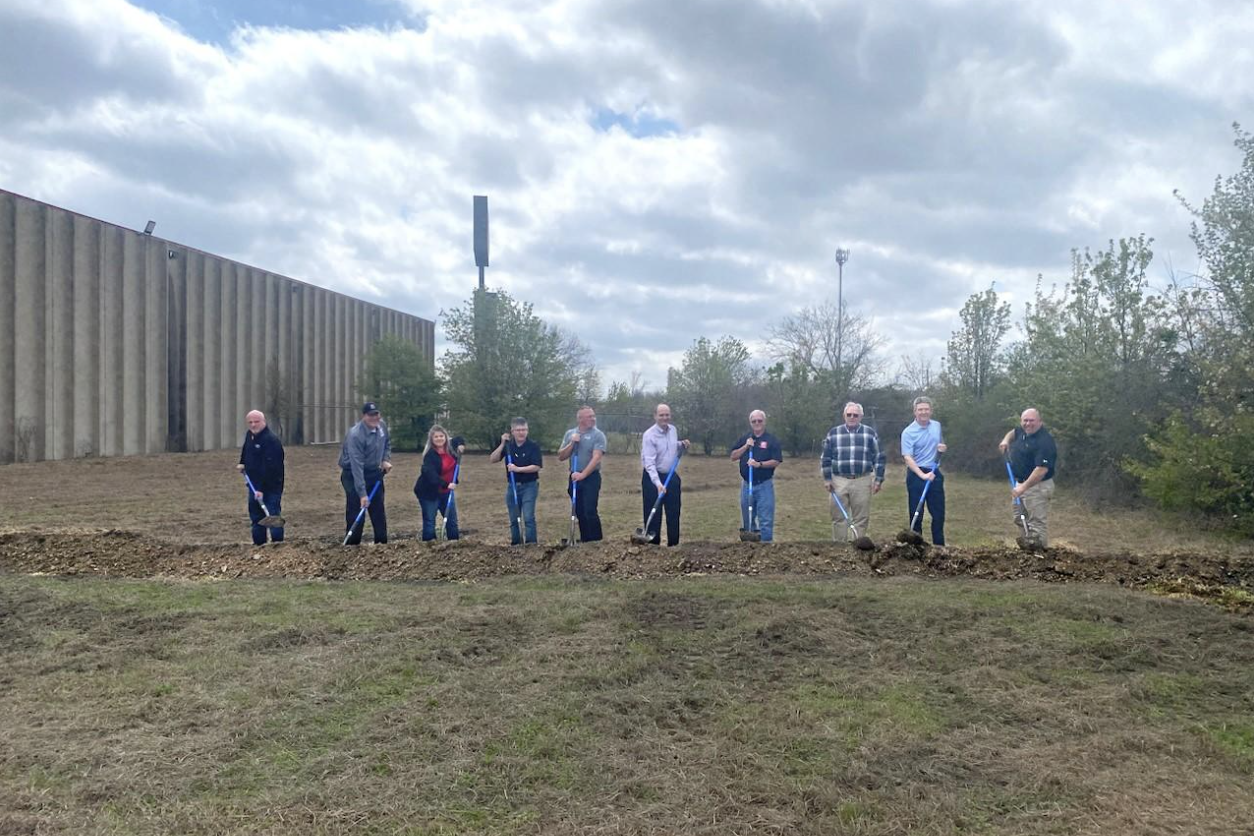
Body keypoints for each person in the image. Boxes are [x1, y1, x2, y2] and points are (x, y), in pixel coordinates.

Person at [820, 401, 885, 543]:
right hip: (839, 480)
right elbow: (826, 458)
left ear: (861, 416)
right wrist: (827, 479)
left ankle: (858, 547)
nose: (852, 417)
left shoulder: (870, 433)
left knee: (861, 518)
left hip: (862, 480)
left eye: (855, 415)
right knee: (838, 517)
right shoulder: (834, 433)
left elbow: (879, 457)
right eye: (849, 414)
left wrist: (878, 479)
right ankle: (840, 548)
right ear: (844, 416)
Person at [998, 408, 1058, 547]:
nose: (1028, 423)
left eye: (1032, 420)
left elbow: (1041, 470)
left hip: (1037, 487)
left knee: (1036, 524)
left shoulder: (1045, 441)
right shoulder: (1022, 431)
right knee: (1020, 519)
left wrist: (1023, 488)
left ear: (1040, 422)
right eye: (1025, 420)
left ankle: (1039, 555)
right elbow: (1012, 433)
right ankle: (1028, 550)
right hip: (1019, 484)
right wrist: (1006, 440)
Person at [338, 401, 393, 545]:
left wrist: (385, 459)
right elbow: (357, 466)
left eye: (376, 414)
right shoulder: (355, 435)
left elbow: (387, 443)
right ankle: (352, 546)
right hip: (352, 474)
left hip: (374, 472)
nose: (374, 418)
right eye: (370, 415)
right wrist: (362, 494)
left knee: (378, 511)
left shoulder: (382, 426)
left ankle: (382, 546)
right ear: (364, 416)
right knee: (356, 511)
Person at [640, 404, 691, 546]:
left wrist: (681, 444)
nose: (664, 418)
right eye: (661, 415)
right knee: (653, 513)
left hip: (671, 476)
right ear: (655, 416)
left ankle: (673, 546)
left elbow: (671, 446)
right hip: (652, 478)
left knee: (674, 513)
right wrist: (657, 483)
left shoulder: (672, 430)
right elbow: (649, 463)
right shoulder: (649, 435)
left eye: (667, 415)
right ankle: (653, 546)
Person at [729, 410, 783, 542]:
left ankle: (766, 548)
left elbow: (776, 461)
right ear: (750, 423)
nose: (757, 423)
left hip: (764, 485)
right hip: (747, 485)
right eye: (754, 421)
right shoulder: (745, 438)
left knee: (765, 520)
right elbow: (733, 456)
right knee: (747, 519)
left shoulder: (772, 440)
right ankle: (750, 548)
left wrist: (759, 464)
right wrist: (746, 446)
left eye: (760, 421)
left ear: (764, 422)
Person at [901, 396, 947, 547]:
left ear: (931, 411)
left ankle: (939, 547)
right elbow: (908, 458)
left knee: (938, 514)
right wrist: (922, 475)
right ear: (915, 412)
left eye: (926, 409)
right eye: (920, 409)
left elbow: (940, 445)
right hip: (916, 474)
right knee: (917, 514)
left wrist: (942, 448)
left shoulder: (937, 426)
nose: (923, 412)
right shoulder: (908, 432)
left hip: (934, 472)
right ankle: (916, 547)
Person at [558, 406, 608, 542]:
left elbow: (596, 457)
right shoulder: (570, 434)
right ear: (580, 419)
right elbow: (561, 456)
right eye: (589, 416)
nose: (593, 418)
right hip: (574, 476)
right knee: (579, 511)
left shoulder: (598, 435)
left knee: (590, 510)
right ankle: (585, 541)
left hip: (591, 477)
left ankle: (596, 541)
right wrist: (572, 443)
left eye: (593, 416)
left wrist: (583, 475)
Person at [489, 417, 542, 545]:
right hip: (512, 486)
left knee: (528, 517)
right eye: (518, 430)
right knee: (514, 519)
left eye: (524, 429)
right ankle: (516, 544)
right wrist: (502, 444)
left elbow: (536, 466)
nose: (521, 432)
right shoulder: (508, 446)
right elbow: (493, 459)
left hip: (529, 485)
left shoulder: (533, 446)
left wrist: (518, 469)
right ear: (512, 431)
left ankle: (531, 544)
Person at [236, 409, 285, 545]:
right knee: (256, 517)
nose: (253, 425)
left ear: (263, 422)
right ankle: (259, 545)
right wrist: (242, 462)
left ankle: (278, 545)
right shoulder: (250, 436)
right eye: (250, 422)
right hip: (253, 484)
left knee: (272, 515)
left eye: (256, 422)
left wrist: (261, 489)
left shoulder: (271, 441)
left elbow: (271, 469)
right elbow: (246, 450)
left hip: (270, 487)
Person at [414, 424, 460, 541]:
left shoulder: (451, 450)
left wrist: (461, 445)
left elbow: (459, 439)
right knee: (430, 521)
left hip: (447, 492)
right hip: (429, 492)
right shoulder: (430, 456)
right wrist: (446, 484)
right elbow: (431, 475)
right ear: (432, 440)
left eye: (441, 436)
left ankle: (455, 545)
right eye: (436, 437)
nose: (439, 439)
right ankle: (430, 546)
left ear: (446, 437)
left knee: (452, 521)